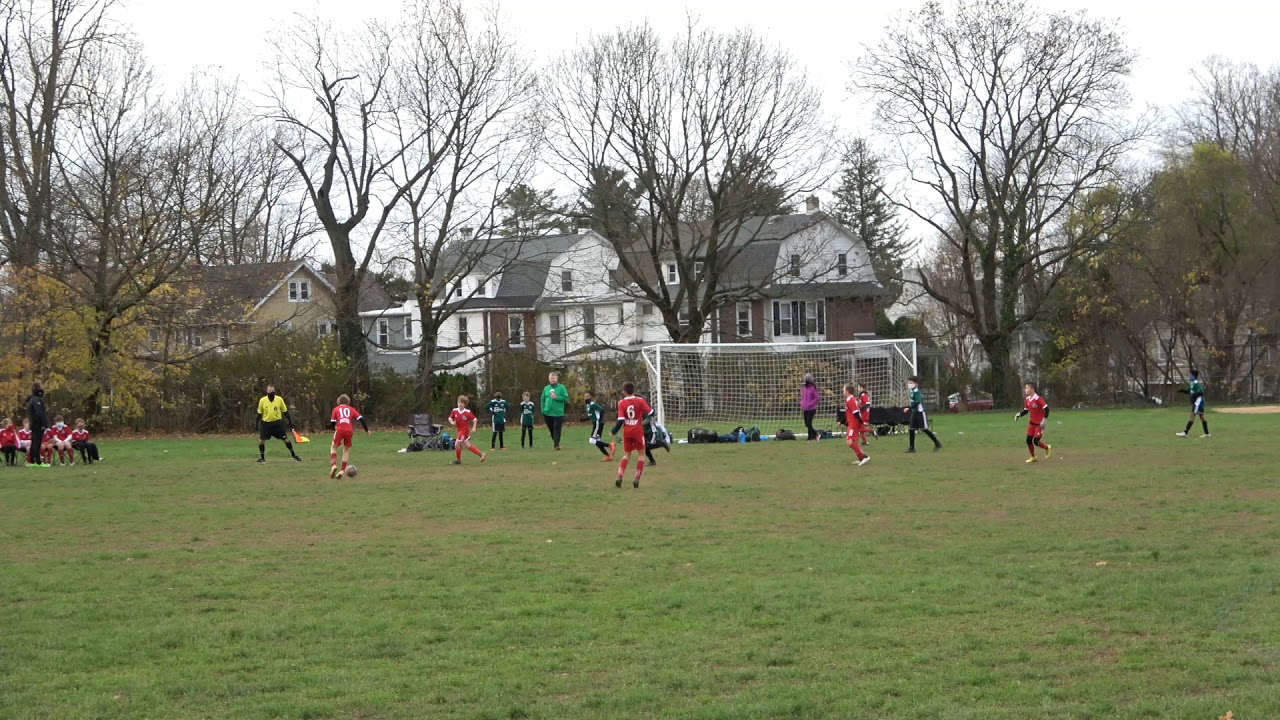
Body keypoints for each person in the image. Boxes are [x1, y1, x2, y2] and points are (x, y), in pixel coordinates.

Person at [610, 382, 652, 488]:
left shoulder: (621, 403)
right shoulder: (640, 401)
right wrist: (643, 417)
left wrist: (614, 431)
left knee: (626, 455)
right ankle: (636, 479)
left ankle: (619, 476)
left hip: (627, 431)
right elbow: (651, 412)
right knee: (641, 455)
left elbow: (620, 420)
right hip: (638, 430)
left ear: (624, 392)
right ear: (634, 390)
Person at [256, 384, 302, 463]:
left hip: (277, 424)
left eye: (272, 391)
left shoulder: (279, 399)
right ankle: (262, 459)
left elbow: (285, 411)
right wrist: (256, 423)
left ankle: (294, 455)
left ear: (274, 391)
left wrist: (290, 422)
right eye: (269, 391)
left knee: (286, 440)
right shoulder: (262, 400)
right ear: (267, 391)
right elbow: (259, 413)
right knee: (261, 441)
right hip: (266, 424)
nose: (271, 392)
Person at [329, 394, 370, 478]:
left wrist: (334, 430)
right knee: (346, 450)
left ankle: (333, 466)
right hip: (349, 430)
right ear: (348, 402)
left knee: (333, 447)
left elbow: (332, 422)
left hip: (339, 429)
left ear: (338, 401)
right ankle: (342, 471)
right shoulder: (351, 409)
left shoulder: (336, 409)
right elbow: (361, 419)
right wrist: (367, 430)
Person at [902, 376, 942, 453]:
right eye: (908, 383)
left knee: (924, 429)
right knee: (911, 429)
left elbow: (917, 402)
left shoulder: (917, 391)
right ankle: (912, 448)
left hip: (920, 413)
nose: (909, 384)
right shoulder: (911, 391)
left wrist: (908, 408)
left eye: (911, 383)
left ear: (916, 384)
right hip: (914, 413)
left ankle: (937, 443)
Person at [1014, 383, 1052, 463]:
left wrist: (1044, 420)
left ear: (1032, 389)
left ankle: (1047, 447)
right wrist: (1019, 414)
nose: (1025, 389)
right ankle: (1033, 457)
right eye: (1025, 388)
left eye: (1027, 388)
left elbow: (1046, 409)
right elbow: (1026, 411)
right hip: (1031, 423)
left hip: (1039, 424)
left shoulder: (1038, 399)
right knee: (1028, 440)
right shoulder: (1027, 399)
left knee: (1036, 441)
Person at [448, 395, 487, 465]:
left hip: (464, 431)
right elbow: (450, 418)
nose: (460, 404)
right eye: (459, 402)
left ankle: (458, 460)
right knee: (467, 445)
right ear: (457, 402)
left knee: (456, 444)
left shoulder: (467, 412)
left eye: (462, 403)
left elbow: (474, 419)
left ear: (465, 404)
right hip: (459, 430)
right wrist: (452, 422)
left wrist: (474, 427)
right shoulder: (455, 411)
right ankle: (481, 454)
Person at [1176, 369, 1211, 438]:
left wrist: (1194, 396)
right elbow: (1188, 391)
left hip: (1198, 402)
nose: (1190, 376)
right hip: (1198, 402)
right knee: (1202, 417)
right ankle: (1207, 433)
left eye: (1190, 375)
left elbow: (1201, 392)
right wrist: (1182, 390)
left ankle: (1185, 433)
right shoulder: (1192, 383)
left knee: (1192, 416)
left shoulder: (1196, 383)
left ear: (1194, 376)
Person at [843, 383, 871, 466]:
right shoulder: (852, 399)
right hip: (853, 423)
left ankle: (864, 457)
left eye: (844, 390)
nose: (843, 391)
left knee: (849, 441)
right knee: (852, 441)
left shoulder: (850, 400)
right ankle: (861, 458)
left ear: (847, 391)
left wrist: (860, 422)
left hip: (853, 424)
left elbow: (856, 413)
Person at [584, 391, 615, 462]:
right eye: (585, 397)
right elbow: (591, 415)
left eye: (587, 396)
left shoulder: (593, 404)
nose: (586, 398)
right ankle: (608, 456)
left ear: (591, 397)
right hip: (596, 423)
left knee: (591, 440)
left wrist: (600, 419)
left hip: (597, 423)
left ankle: (609, 445)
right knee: (597, 441)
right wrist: (583, 419)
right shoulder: (588, 406)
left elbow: (602, 410)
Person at [540, 372, 568, 450]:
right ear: (549, 379)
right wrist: (542, 409)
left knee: (557, 428)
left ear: (557, 378)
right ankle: (557, 443)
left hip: (558, 413)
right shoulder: (546, 388)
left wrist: (557, 397)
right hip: (547, 412)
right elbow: (542, 399)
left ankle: (556, 445)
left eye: (553, 378)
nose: (552, 379)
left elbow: (566, 398)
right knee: (551, 429)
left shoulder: (561, 388)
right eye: (551, 378)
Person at [24, 381, 48, 467]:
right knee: (37, 443)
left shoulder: (31, 399)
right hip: (37, 425)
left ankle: (32, 461)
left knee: (34, 442)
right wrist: (43, 423)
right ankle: (37, 462)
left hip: (33, 424)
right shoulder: (36, 400)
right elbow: (39, 413)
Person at [801, 373, 820, 441]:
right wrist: (802, 403)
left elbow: (817, 398)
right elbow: (803, 397)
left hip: (811, 409)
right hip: (805, 408)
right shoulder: (803, 388)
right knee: (807, 423)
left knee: (809, 423)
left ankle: (812, 436)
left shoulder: (812, 388)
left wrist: (810, 403)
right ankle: (813, 435)